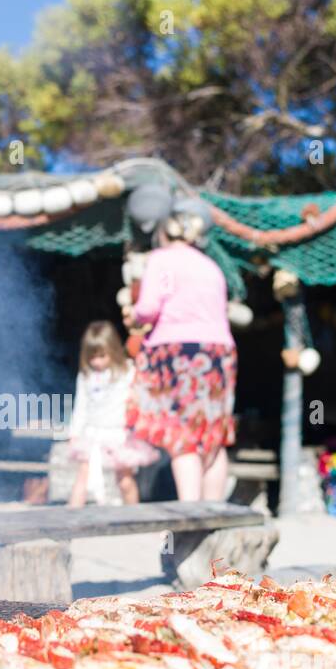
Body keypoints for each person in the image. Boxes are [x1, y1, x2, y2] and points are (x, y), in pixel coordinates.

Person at [127, 206, 237, 502]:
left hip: (179, 353)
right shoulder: (211, 266)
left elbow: (149, 308)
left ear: (162, 232)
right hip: (220, 353)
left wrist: (133, 314)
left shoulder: (161, 260)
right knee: (213, 436)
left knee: (182, 438)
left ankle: (189, 515)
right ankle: (213, 514)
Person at [65, 321, 158, 507]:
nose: (97, 362)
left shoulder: (127, 372)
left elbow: (143, 395)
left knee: (124, 481)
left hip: (119, 435)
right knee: (83, 478)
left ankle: (135, 518)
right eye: (92, 357)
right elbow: (81, 407)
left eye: (102, 356)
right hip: (92, 434)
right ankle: (71, 520)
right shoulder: (85, 377)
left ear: (113, 350)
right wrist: (74, 433)